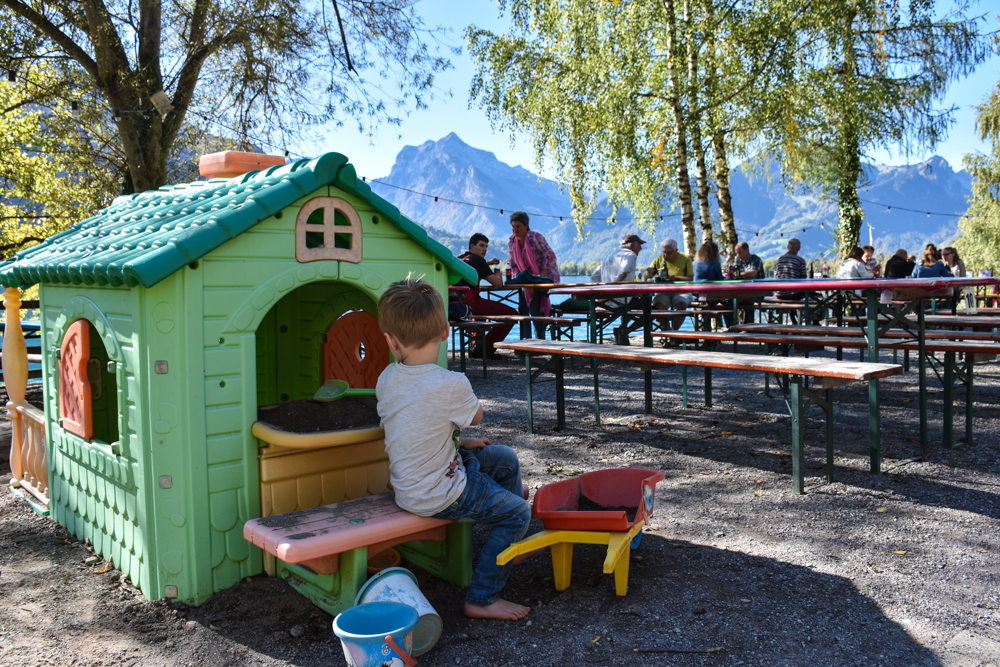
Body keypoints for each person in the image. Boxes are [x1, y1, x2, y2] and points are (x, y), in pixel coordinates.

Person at [376, 278, 532, 621]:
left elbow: (422, 428)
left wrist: (462, 442)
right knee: (520, 512)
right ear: (446, 331)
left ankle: (509, 543)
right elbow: (475, 415)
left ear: (391, 340)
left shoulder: (386, 378)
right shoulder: (451, 383)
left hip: (410, 486)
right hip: (443, 491)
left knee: (504, 458)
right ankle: (482, 597)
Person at [456, 233, 516, 359]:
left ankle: (477, 346)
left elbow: (473, 266)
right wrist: (499, 275)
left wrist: (487, 264)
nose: (485, 249)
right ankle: (486, 347)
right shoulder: (478, 260)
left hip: (456, 303)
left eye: (486, 247)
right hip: (470, 302)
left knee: (480, 317)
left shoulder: (460, 258)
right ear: (472, 246)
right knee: (512, 314)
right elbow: (498, 284)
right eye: (481, 246)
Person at [508, 211, 560, 338]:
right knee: (523, 306)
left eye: (518, 226)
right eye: (513, 226)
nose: (515, 229)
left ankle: (539, 340)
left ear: (526, 226)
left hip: (545, 276)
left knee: (535, 306)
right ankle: (526, 339)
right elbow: (513, 264)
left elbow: (551, 257)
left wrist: (539, 277)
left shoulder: (535, 237)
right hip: (527, 279)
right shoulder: (511, 242)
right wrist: (519, 278)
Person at [643, 238, 694, 330]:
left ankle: (674, 331)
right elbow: (648, 277)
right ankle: (668, 332)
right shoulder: (658, 260)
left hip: (681, 290)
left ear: (676, 250)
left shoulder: (685, 259)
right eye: (664, 252)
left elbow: (690, 278)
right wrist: (648, 274)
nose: (666, 255)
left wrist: (677, 278)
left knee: (681, 304)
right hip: (663, 291)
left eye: (669, 252)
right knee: (658, 307)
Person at [693, 241, 732, 328]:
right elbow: (720, 281)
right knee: (731, 302)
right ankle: (732, 327)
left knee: (706, 304)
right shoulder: (715, 263)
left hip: (697, 296)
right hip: (711, 296)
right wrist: (725, 276)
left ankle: (704, 327)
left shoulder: (694, 263)